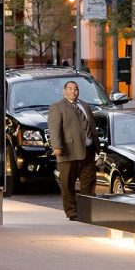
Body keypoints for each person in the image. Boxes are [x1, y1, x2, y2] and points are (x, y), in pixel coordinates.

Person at [47, 80, 98, 221]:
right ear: (64, 91)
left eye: (75, 89)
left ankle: (87, 211)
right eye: (70, 89)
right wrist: (56, 146)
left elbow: (91, 126)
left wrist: (97, 144)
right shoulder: (57, 107)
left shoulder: (85, 106)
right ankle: (72, 212)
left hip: (88, 150)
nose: (73, 91)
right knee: (67, 184)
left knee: (89, 182)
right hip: (68, 151)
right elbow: (54, 128)